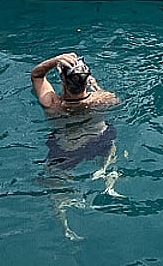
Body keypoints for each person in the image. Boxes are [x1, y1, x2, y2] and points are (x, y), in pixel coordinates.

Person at [31, 52, 121, 240]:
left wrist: (55, 60)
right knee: (111, 143)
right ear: (86, 80)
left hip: (66, 150)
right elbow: (113, 101)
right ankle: (108, 180)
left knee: (55, 186)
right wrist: (94, 85)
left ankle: (66, 227)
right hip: (100, 141)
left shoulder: (52, 104)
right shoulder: (104, 98)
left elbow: (36, 75)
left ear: (63, 81)